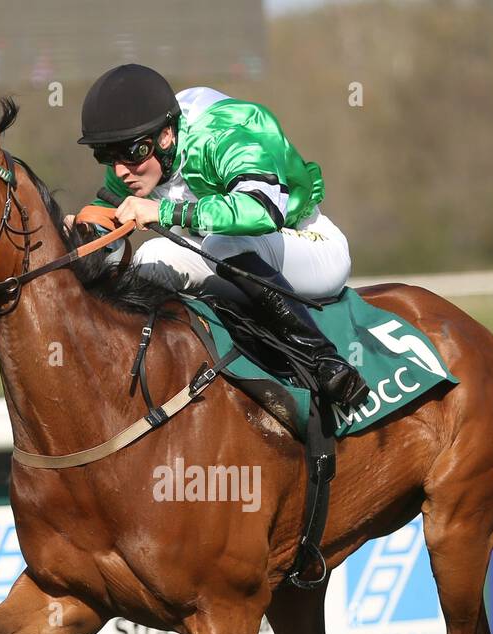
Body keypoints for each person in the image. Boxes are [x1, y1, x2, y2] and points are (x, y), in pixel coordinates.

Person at [65, 64, 370, 407]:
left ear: (165, 136)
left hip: (307, 245)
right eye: (107, 156)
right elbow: (109, 212)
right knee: (148, 260)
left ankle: (326, 362)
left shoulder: (219, 133)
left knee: (223, 242)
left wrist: (165, 212)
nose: (121, 170)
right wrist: (82, 231)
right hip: (230, 256)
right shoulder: (140, 158)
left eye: (132, 153)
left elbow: (261, 210)